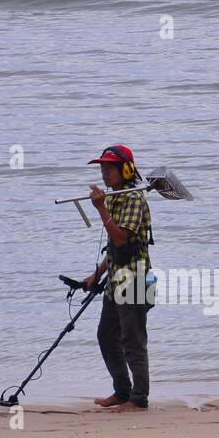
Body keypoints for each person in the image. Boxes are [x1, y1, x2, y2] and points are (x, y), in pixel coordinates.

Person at [81, 145, 154, 412]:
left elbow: (122, 239)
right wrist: (96, 274)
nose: (104, 174)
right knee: (106, 335)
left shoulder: (134, 199)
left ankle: (139, 399)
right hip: (115, 279)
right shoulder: (114, 198)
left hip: (135, 279)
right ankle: (122, 391)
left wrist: (100, 210)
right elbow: (114, 249)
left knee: (133, 341)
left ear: (126, 170)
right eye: (102, 169)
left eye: (109, 168)